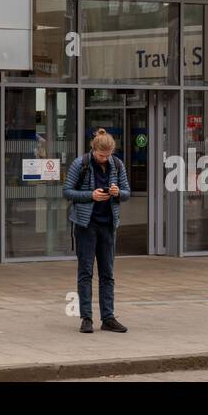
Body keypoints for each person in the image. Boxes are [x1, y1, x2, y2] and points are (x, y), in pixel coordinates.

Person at [63, 129, 131, 334]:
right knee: (85, 272)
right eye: (102, 155)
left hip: (108, 224)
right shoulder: (80, 164)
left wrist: (118, 193)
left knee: (108, 273)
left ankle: (108, 317)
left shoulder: (117, 165)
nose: (105, 159)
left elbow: (127, 192)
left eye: (108, 155)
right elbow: (67, 191)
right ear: (94, 150)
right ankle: (86, 318)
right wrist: (90, 195)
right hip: (86, 224)